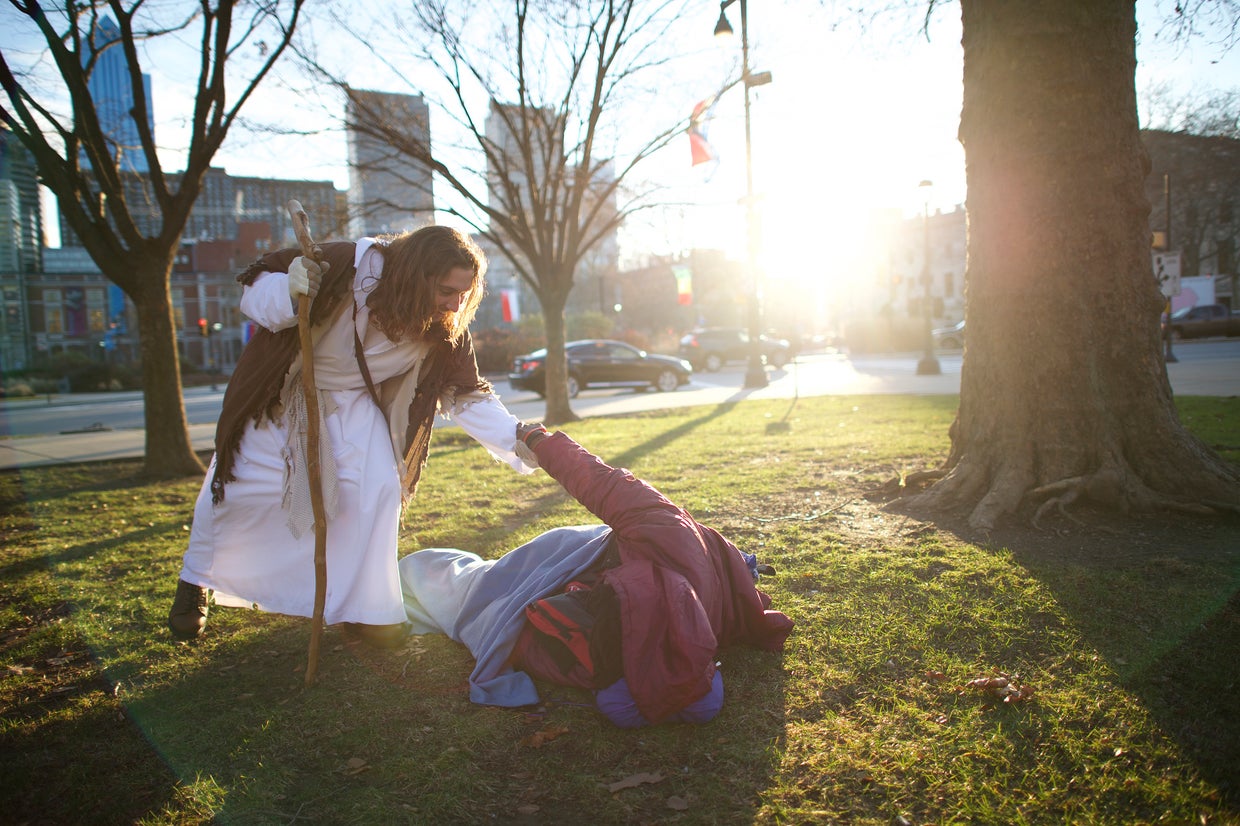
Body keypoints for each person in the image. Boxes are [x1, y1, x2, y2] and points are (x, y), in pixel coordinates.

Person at [168, 226, 540, 646]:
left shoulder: (446, 331)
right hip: (287, 394)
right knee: (241, 486)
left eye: (463, 293)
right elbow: (256, 292)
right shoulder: (345, 265)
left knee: (375, 492)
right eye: (444, 290)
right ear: (414, 275)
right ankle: (197, 578)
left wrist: (515, 437)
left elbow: (468, 396)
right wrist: (290, 290)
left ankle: (367, 608)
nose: (454, 304)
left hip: (358, 409)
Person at [398, 423, 794, 727]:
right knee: (486, 583)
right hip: (577, 553)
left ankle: (425, 574)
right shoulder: (659, 524)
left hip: (598, 577)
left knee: (490, 600)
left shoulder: (703, 604)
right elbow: (597, 479)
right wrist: (537, 439)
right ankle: (417, 571)